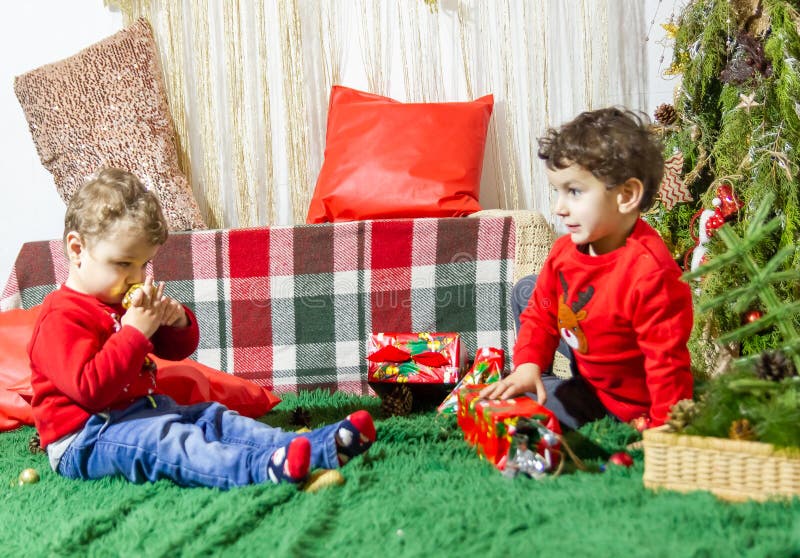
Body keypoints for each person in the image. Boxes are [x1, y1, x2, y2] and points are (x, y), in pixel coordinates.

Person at [27, 168, 376, 489]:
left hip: (145, 411)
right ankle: (261, 467)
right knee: (165, 442)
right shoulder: (60, 317)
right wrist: (133, 333)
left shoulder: (119, 301)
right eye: (123, 264)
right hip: (86, 438)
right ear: (77, 249)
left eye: (143, 264)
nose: (136, 277)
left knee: (213, 417)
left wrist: (173, 321)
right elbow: (91, 390)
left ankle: (316, 447)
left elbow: (176, 349)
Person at [480, 107, 693, 430]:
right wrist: (527, 364)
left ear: (626, 195)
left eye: (574, 192)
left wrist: (663, 426)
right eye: (558, 192)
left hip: (625, 406)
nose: (558, 208)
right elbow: (540, 313)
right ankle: (537, 377)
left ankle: (556, 395)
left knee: (534, 413)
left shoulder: (650, 274)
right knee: (528, 289)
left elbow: (666, 363)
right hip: (588, 349)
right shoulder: (565, 251)